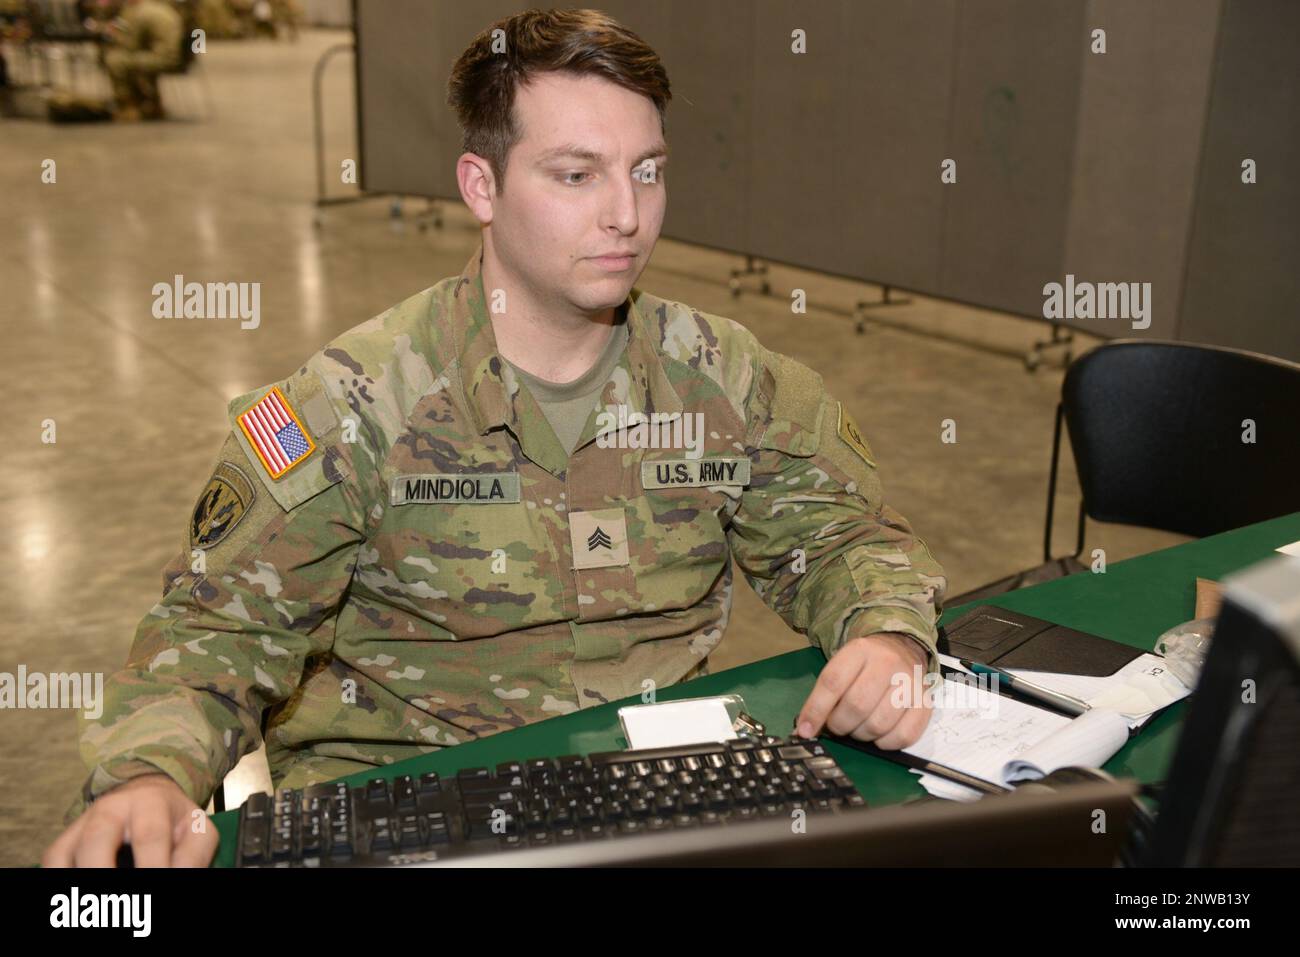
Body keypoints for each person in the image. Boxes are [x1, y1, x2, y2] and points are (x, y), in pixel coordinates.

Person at [44, 7, 946, 868]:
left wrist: (887, 635)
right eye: (575, 174)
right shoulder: (353, 404)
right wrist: (150, 775)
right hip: (411, 808)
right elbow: (213, 630)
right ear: (482, 186)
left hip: (658, 791)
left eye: (647, 169)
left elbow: (844, 536)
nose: (626, 216)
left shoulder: (724, 376)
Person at [100, 0, 182, 121]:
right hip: (177, 57)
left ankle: (129, 106)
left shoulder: (138, 12)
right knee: (135, 59)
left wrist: (113, 34)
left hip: (163, 59)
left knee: (115, 60)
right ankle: (151, 102)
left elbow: (130, 46)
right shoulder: (159, 7)